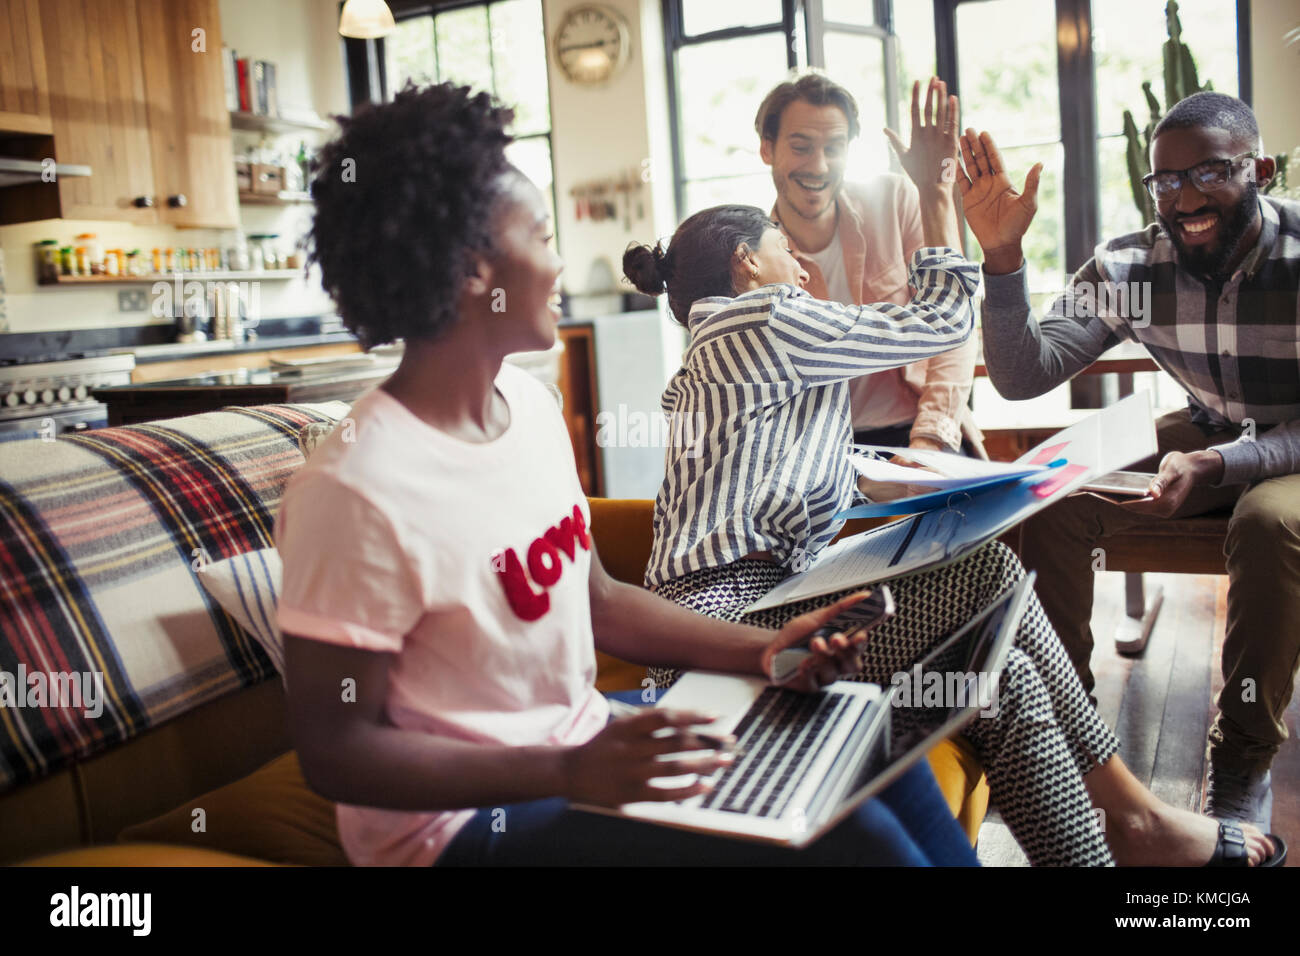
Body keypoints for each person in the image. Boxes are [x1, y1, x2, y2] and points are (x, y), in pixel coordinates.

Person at [274, 81, 981, 868]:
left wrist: (768, 650)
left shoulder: (530, 411)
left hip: (578, 741)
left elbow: (599, 601)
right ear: (475, 270)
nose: (560, 260)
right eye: (542, 236)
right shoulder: (354, 487)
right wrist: (570, 769)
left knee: (868, 731)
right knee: (855, 841)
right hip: (464, 829)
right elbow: (336, 751)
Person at [626, 77, 1280, 867]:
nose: (795, 260)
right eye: (777, 247)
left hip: (763, 605)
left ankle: (1111, 853)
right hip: (727, 629)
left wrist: (927, 476)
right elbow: (937, 320)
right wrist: (938, 189)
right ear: (743, 262)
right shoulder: (760, 316)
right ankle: (1139, 816)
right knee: (988, 571)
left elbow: (808, 480)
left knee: (995, 680)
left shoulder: (732, 351)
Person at [977, 90, 1299, 833]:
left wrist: (1221, 465)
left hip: (1288, 452)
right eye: (1166, 181)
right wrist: (1002, 260)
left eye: (1210, 172)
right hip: (1211, 427)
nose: (1184, 198)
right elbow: (1026, 373)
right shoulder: (1132, 266)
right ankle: (1067, 736)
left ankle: (1242, 761)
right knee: (1052, 486)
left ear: (1262, 169)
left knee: (1265, 520)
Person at [756, 70, 984, 458]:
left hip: (920, 428)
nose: (820, 166)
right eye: (801, 146)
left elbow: (957, 322)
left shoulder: (896, 201)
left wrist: (929, 442)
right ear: (767, 149)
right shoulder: (755, 256)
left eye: (834, 147)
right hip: (818, 453)